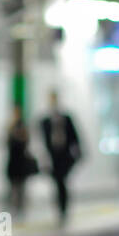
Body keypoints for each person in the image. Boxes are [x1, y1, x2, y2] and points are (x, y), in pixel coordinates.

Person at [40, 90, 82, 224]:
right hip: (52, 156)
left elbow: (75, 137)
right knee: (57, 183)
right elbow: (42, 141)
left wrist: (77, 153)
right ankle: (59, 208)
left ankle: (63, 209)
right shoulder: (45, 121)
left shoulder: (66, 118)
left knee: (62, 182)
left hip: (64, 155)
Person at [4, 105, 36, 218]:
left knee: (21, 185)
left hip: (21, 159)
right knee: (12, 185)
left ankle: (21, 207)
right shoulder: (10, 126)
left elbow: (26, 140)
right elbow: (6, 141)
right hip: (12, 159)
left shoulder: (23, 125)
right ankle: (13, 206)